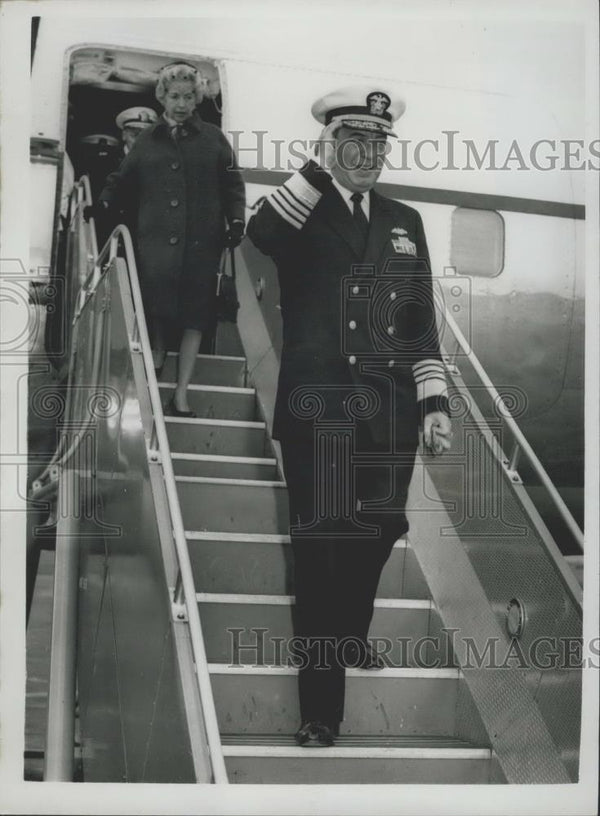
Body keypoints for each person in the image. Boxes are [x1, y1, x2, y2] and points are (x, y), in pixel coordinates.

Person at [247, 86, 452, 747]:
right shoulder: (301, 210)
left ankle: (350, 635)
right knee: (321, 556)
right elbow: (262, 234)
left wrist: (434, 401)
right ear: (332, 146)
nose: (368, 156)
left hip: (390, 411)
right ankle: (321, 713)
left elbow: (418, 320)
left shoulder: (403, 219)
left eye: (377, 145)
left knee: (383, 528)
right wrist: (316, 168)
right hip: (321, 411)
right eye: (353, 144)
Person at [98, 62, 245, 415]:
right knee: (157, 302)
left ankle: (180, 393)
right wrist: (103, 201)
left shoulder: (213, 138)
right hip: (157, 238)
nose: (181, 104)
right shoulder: (148, 139)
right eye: (175, 96)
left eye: (189, 97)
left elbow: (232, 184)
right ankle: (160, 349)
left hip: (201, 241)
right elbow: (123, 177)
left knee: (196, 314)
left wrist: (237, 219)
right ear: (162, 96)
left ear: (198, 99)